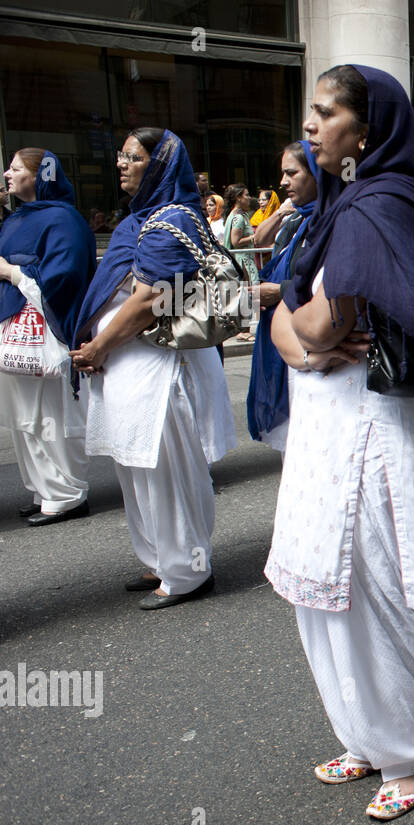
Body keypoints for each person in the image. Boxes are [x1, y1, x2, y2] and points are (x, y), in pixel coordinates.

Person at [266, 64, 414, 821]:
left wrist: (289, 324)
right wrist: (290, 330)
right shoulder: (346, 202)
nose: (309, 126)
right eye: (309, 112)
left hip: (371, 424)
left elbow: (314, 323)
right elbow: (290, 324)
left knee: (376, 583)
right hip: (328, 417)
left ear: (365, 131)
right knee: (327, 586)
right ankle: (366, 734)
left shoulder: (378, 205)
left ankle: (412, 748)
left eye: (324, 112)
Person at [69, 127, 236, 609]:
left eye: (133, 157)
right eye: (120, 156)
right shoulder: (140, 217)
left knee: (168, 471)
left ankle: (187, 569)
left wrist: (98, 346)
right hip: (131, 366)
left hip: (159, 368)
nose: (121, 164)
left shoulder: (171, 219)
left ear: (159, 166)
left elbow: (148, 300)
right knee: (135, 466)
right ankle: (161, 558)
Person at [0, 148, 97, 525]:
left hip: (47, 329)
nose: (8, 174)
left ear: (40, 175)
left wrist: (13, 273)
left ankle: (67, 492)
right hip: (15, 327)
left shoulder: (63, 220)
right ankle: (44, 489)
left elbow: (65, 277)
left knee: (50, 415)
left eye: (16, 168)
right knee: (25, 418)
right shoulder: (18, 219)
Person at [246, 140, 319, 451]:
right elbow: (260, 240)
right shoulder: (297, 220)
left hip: (315, 349)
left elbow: (337, 285)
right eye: (282, 174)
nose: (282, 182)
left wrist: (280, 291)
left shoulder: (337, 220)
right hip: (290, 346)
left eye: (292, 173)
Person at [222, 182, 259, 342]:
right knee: (246, 293)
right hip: (243, 260)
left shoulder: (237, 214)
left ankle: (244, 328)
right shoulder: (238, 217)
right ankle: (243, 330)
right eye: (246, 195)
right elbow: (235, 241)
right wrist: (254, 237)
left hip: (242, 260)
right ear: (238, 198)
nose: (249, 198)